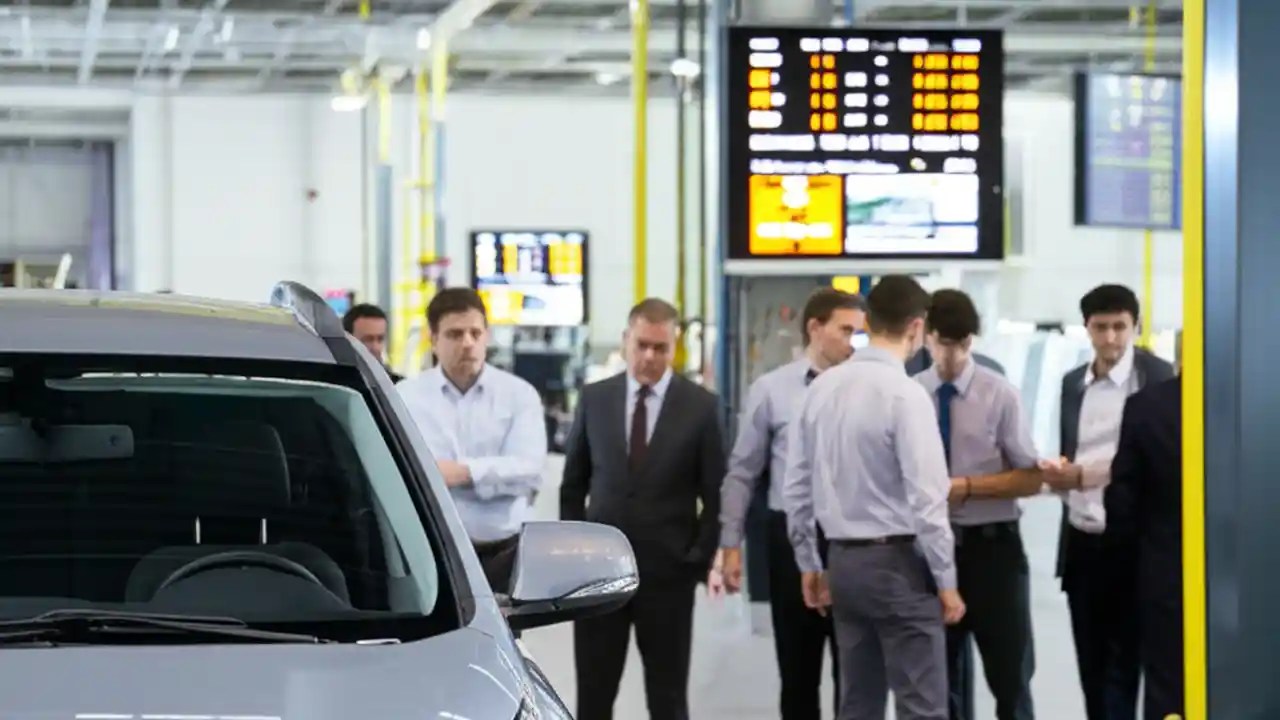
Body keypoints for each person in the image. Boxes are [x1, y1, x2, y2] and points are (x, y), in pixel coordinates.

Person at [784, 274, 963, 720]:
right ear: (917, 328)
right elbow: (928, 500)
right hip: (899, 565)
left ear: (868, 321)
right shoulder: (907, 395)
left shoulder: (820, 389)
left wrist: (810, 563)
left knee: (858, 703)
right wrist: (946, 580)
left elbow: (797, 489)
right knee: (921, 706)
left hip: (843, 564)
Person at [560, 297, 726, 720]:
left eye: (661, 348)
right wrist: (576, 555)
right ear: (625, 342)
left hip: (668, 577)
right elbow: (573, 484)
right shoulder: (595, 399)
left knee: (668, 698)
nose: (650, 357)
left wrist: (696, 561)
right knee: (594, 696)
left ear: (674, 349)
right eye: (642, 345)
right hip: (598, 581)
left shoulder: (701, 408)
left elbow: (716, 492)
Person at [717, 287, 867, 720]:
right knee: (798, 673)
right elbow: (743, 471)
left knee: (854, 671)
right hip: (791, 542)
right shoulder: (772, 390)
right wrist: (730, 544)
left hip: (852, 541)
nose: (853, 342)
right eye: (845, 330)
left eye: (860, 333)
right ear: (815, 328)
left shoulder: (868, 390)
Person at [1042, 283, 1174, 720]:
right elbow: (1073, 449)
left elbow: (1151, 461)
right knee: (1093, 666)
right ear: (1087, 329)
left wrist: (1083, 474)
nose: (1111, 338)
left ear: (1135, 327)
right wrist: (1063, 476)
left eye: (1120, 327)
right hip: (1084, 540)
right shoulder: (1071, 385)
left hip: (1137, 544)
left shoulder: (1158, 380)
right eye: (1101, 328)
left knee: (1138, 663)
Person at [913, 289, 1043, 720]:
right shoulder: (910, 397)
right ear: (926, 337)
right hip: (930, 552)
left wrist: (966, 487)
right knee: (939, 682)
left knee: (1010, 677)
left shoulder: (999, 395)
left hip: (993, 551)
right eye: (943, 343)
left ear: (973, 340)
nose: (952, 356)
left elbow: (1030, 477)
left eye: (962, 344)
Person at [396, 288, 546, 592]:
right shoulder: (405, 397)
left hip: (504, 550)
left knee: (505, 637)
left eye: (475, 333)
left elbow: (529, 469)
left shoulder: (519, 395)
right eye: (454, 334)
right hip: (430, 551)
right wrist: (495, 475)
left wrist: (461, 473)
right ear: (433, 339)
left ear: (487, 336)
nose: (467, 343)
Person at [1105, 375, 1184, 720]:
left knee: (1167, 690)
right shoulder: (1257, 405)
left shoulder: (1146, 406)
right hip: (1252, 582)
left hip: (1165, 576)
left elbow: (1122, 501)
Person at [342, 302, 403, 382]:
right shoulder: (332, 386)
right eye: (367, 340)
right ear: (347, 340)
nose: (375, 347)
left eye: (380, 339)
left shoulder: (398, 386)